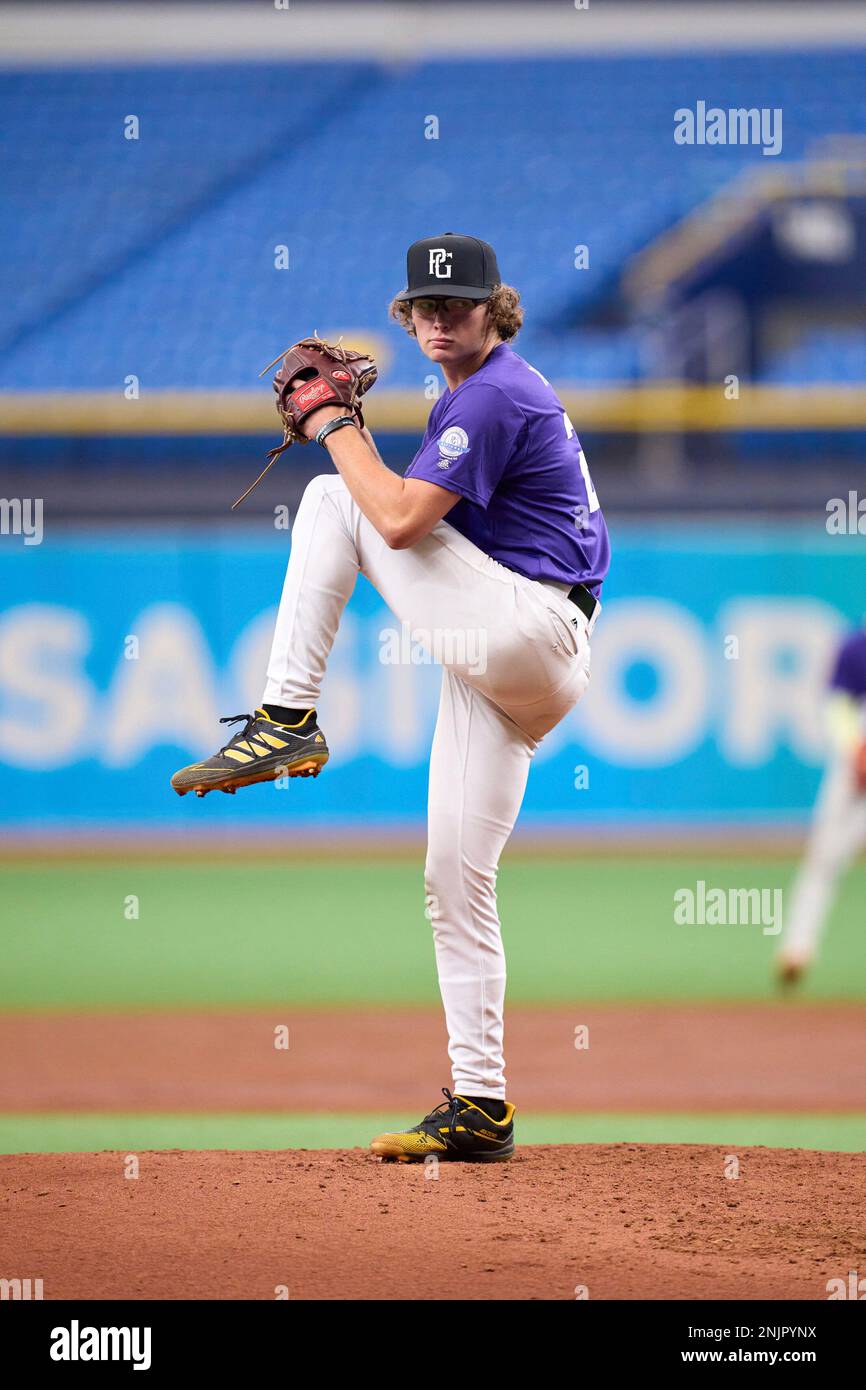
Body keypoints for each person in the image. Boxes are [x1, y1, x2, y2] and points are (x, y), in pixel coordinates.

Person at [171, 232, 610, 1161]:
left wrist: (335, 426)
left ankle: (285, 717)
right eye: (427, 307)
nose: (442, 317)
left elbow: (402, 522)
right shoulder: (471, 394)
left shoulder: (491, 392)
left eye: (461, 303)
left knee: (335, 503)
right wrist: (356, 434)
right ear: (407, 319)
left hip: (527, 630)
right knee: (454, 878)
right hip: (514, 667)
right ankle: (482, 1105)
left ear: (496, 307)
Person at [776, 623, 866, 987]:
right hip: (852, 766)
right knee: (824, 856)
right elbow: (837, 702)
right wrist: (854, 750)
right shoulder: (857, 646)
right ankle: (797, 948)